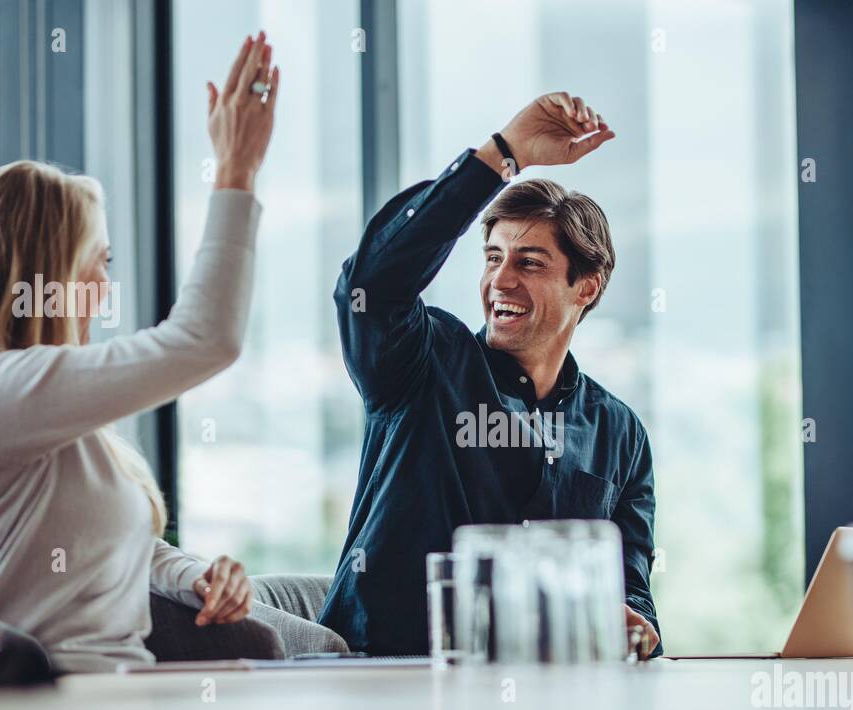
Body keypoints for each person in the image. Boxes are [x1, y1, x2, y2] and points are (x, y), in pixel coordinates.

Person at [0, 33, 341, 673]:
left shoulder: (37, 405)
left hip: (117, 701)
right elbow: (205, 340)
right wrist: (236, 172)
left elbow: (107, 542)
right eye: (96, 262)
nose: (107, 285)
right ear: (42, 273)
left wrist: (194, 575)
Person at [282, 91, 661, 658]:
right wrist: (502, 155)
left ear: (586, 286)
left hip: (542, 708)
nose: (500, 281)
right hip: (384, 691)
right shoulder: (422, 362)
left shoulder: (619, 434)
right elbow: (372, 285)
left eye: (529, 263)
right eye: (492, 257)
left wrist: (635, 624)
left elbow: (630, 590)